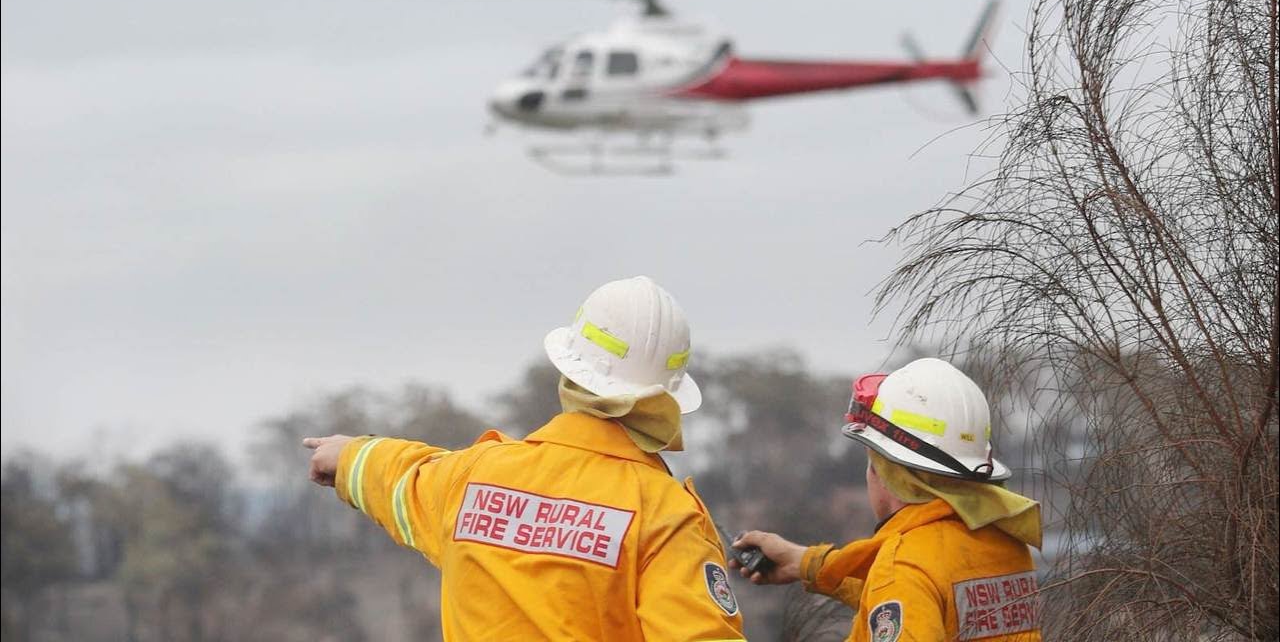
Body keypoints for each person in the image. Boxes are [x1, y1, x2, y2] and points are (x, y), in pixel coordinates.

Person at [304, 276, 745, 642]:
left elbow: (402, 475)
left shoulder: (472, 476)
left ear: (570, 372)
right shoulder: (667, 518)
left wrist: (346, 455)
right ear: (667, 398)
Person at [730, 357, 1042, 641]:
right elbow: (923, 600)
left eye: (871, 463)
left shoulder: (902, 569)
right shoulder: (1005, 545)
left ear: (888, 474)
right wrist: (804, 563)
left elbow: (903, 588)